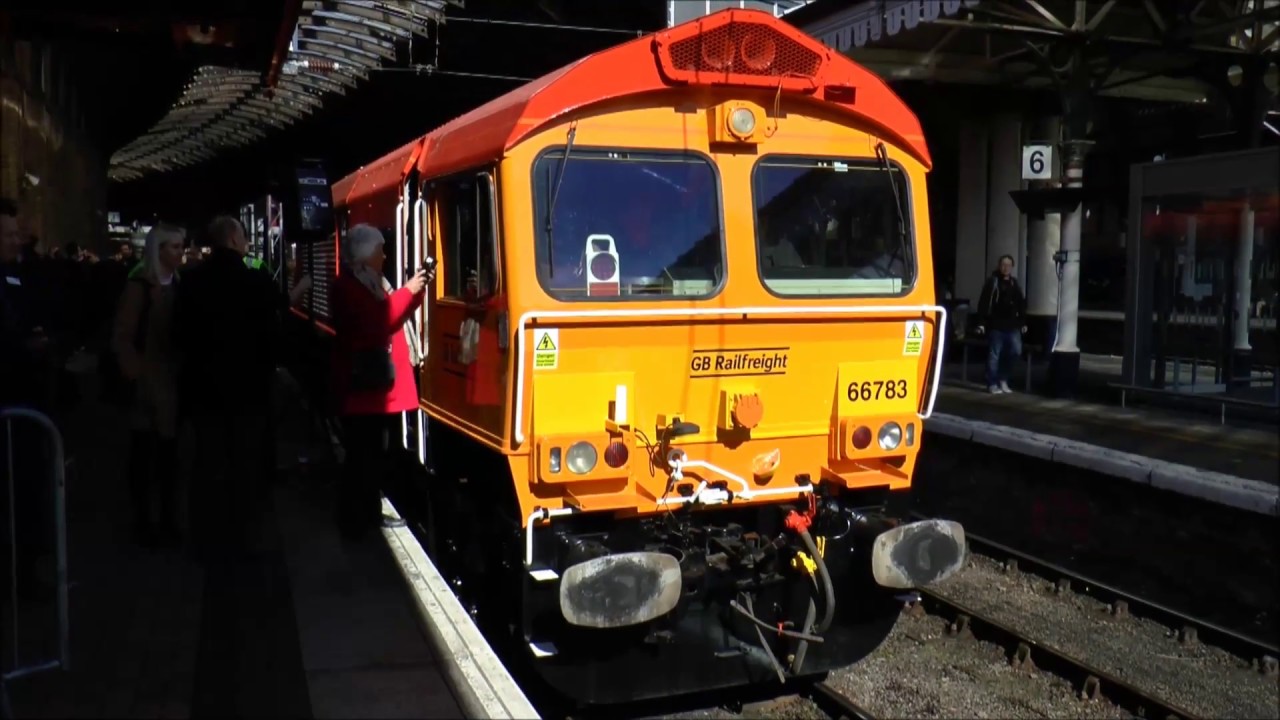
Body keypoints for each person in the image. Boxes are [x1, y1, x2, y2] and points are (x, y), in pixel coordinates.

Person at [174, 215, 281, 562]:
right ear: (235, 240)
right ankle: (244, 540)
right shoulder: (256, 280)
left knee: (206, 464)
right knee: (245, 466)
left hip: (204, 391)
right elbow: (272, 334)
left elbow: (179, 336)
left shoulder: (189, 281)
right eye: (246, 238)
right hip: (249, 391)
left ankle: (204, 540)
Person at [330, 224, 429, 540]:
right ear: (365, 254)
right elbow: (378, 322)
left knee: (371, 456)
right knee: (362, 457)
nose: (384, 255)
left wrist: (415, 293)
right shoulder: (347, 287)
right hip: (363, 386)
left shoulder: (367, 283)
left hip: (372, 386)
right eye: (380, 250)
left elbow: (391, 317)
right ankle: (355, 521)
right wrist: (407, 291)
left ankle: (368, 515)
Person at [112, 223, 186, 546]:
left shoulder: (178, 283)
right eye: (174, 247)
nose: (181, 252)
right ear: (159, 251)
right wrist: (135, 375)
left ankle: (167, 520)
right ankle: (146, 522)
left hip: (170, 381)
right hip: (148, 382)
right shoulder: (140, 285)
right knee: (144, 457)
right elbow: (123, 336)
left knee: (170, 459)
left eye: (182, 246)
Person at [975, 254, 1027, 394]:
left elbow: (1020, 304)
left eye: (1009, 265)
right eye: (1003, 265)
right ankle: (992, 383)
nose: (1006, 268)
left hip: (1012, 325)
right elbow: (984, 303)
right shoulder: (992, 282)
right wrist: (981, 323)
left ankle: (1003, 378)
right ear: (999, 266)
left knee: (1016, 351)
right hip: (996, 325)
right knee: (994, 354)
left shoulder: (1014, 284)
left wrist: (1022, 322)